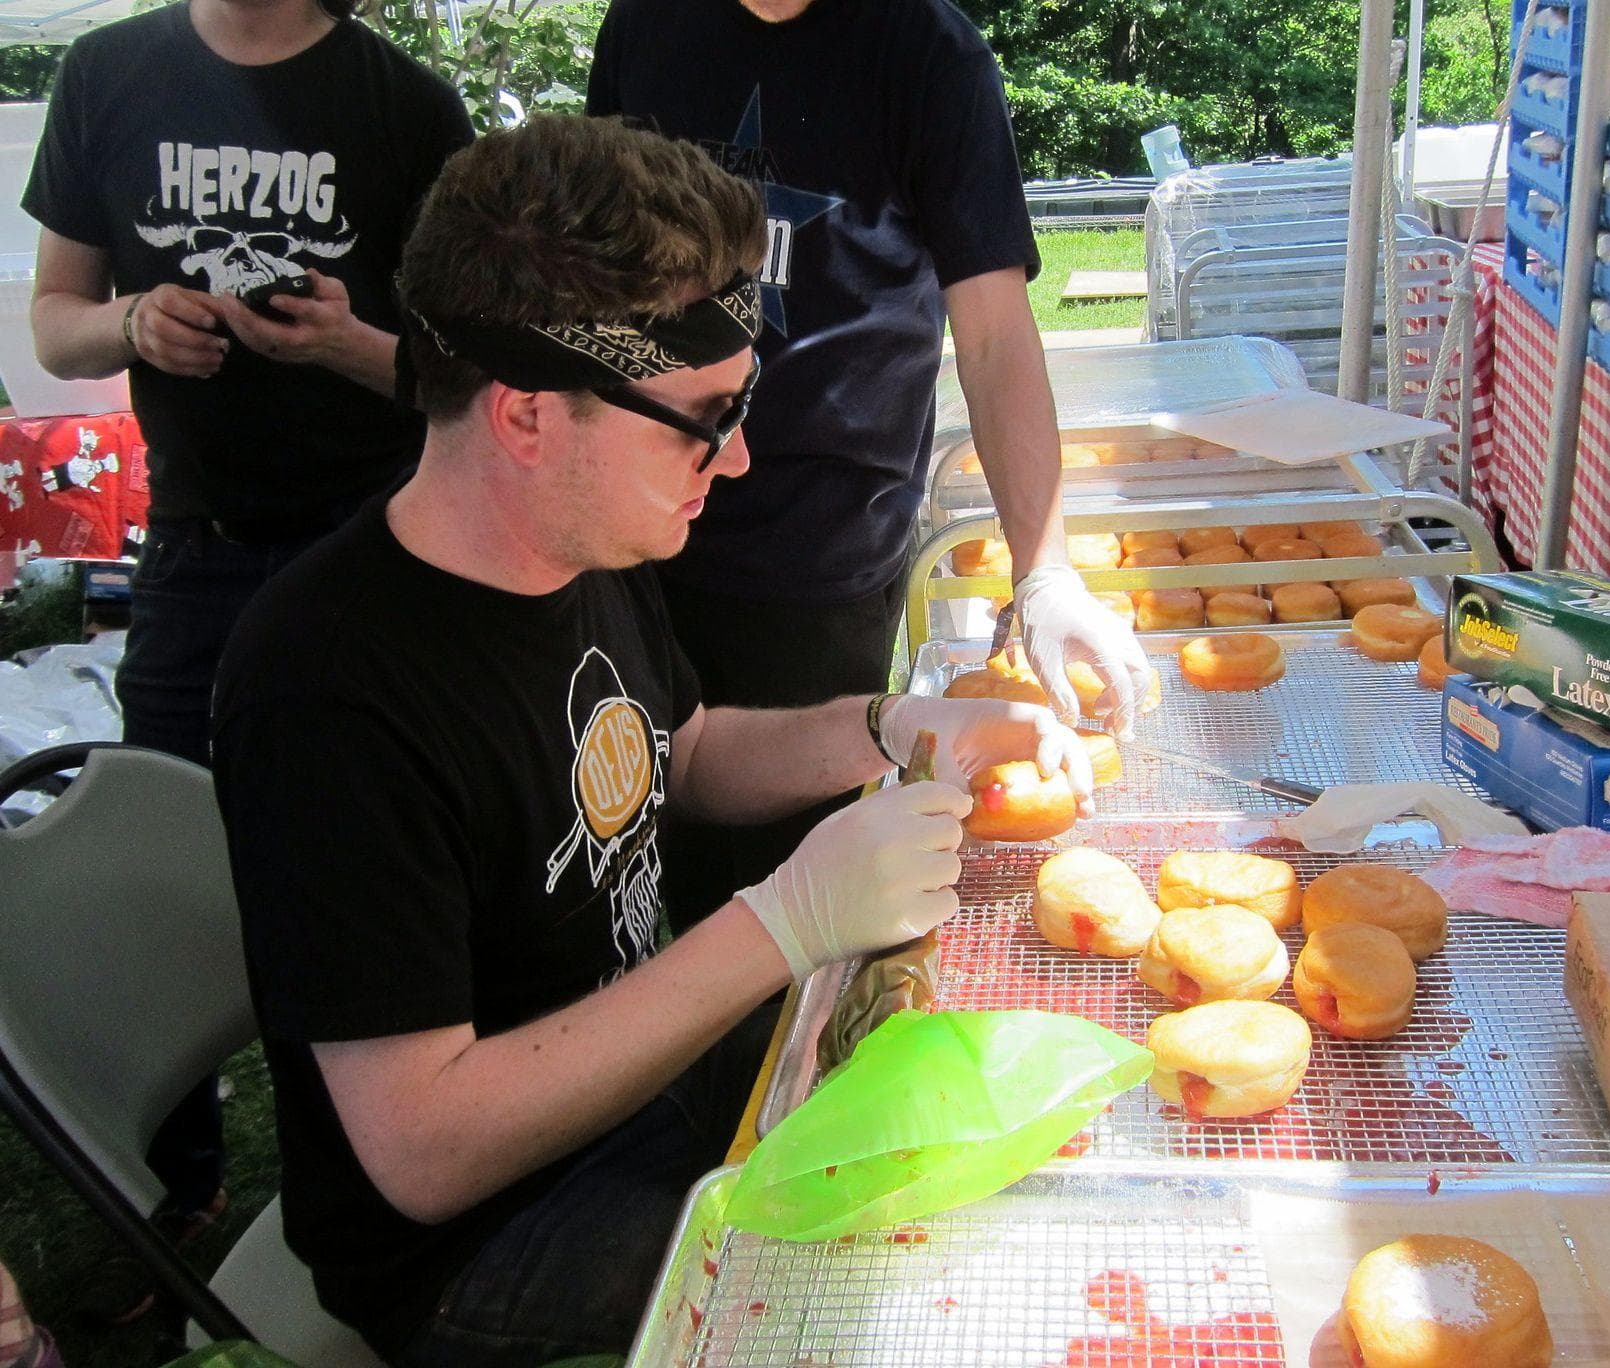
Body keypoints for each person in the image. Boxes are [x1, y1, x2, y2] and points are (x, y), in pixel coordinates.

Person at [211, 115, 1091, 1367]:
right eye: (703, 415)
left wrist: (889, 724)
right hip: (477, 1248)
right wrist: (782, 923)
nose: (735, 459)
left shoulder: (576, 544)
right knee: (936, 1289)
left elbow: (678, 749)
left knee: (982, 1059)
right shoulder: (328, 692)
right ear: (526, 414)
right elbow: (423, 1151)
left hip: (631, 1088)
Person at [20, 0, 472, 1259]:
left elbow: (459, 377)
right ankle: (179, 1194)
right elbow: (55, 320)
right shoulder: (110, 71)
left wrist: (339, 341)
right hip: (195, 553)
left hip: (371, 551)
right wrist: (132, 323)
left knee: (379, 872)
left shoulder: (404, 104)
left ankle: (397, 1160)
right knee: (159, 865)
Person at [586, 0, 1154, 927]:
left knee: (785, 890)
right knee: (624, 863)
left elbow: (997, 334)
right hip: (634, 533)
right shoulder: (648, 25)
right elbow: (594, 272)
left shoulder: (927, 50)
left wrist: (1045, 571)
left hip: (821, 556)